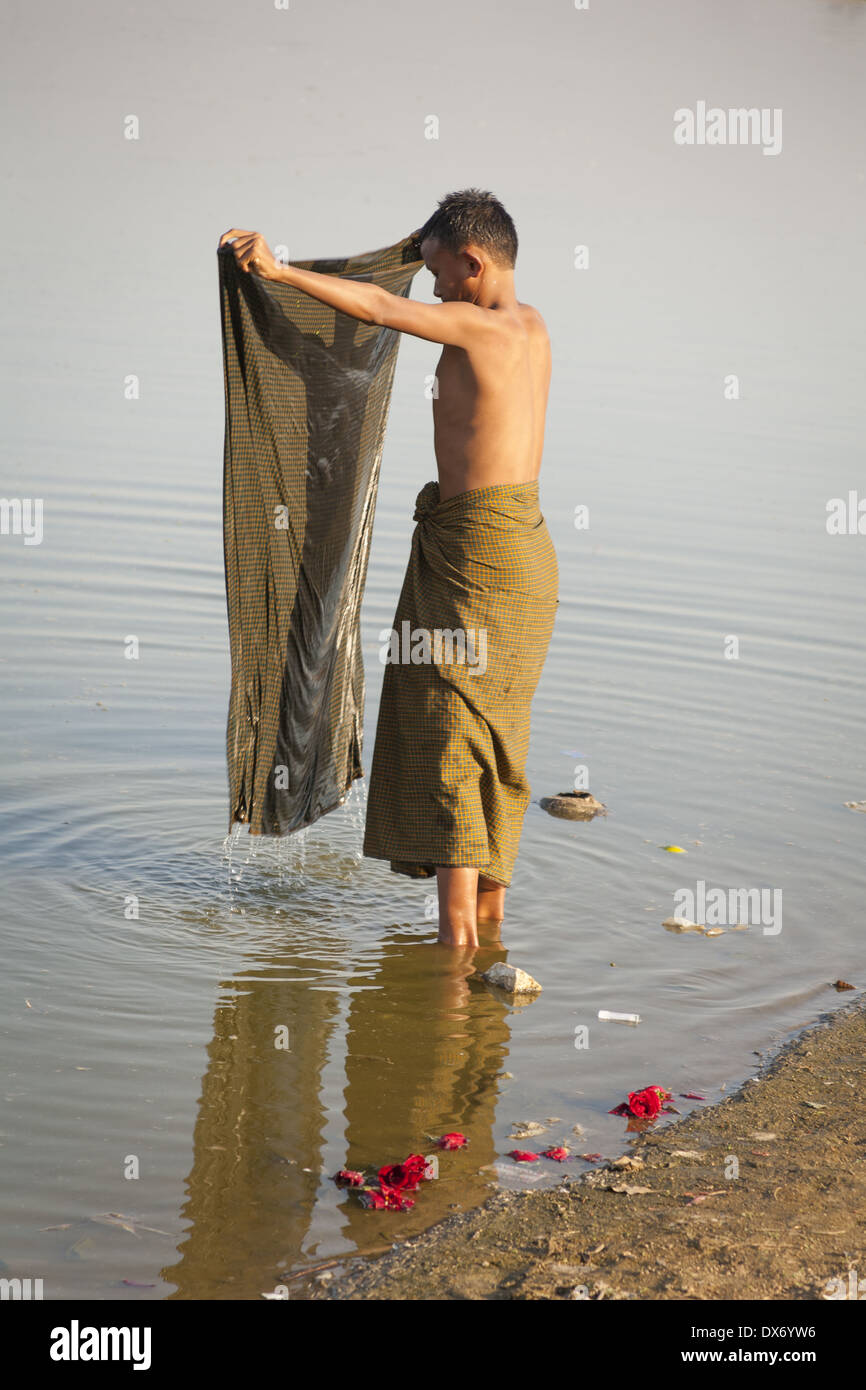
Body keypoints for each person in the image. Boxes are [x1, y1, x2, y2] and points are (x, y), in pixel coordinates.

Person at [218, 189, 558, 948]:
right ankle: (489, 934)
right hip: (525, 551)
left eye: (438, 274)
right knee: (493, 736)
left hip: (477, 551)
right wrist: (417, 243)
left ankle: (453, 944)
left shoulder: (480, 327)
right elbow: (398, 292)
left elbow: (377, 309)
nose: (431, 289)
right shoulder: (532, 325)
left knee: (448, 733)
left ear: (474, 264)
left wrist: (277, 271)